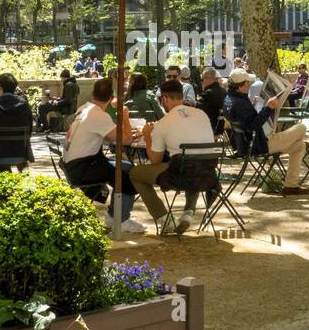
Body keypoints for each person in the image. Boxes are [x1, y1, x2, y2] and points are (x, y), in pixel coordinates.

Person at [132, 79, 217, 234]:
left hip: (180, 175)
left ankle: (164, 219)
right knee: (193, 161)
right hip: (208, 173)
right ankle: (188, 213)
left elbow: (155, 160)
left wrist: (147, 135)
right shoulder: (202, 114)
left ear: (164, 98)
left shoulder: (163, 123)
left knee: (135, 173)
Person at [63, 77, 145, 232]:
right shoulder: (99, 115)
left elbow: (105, 135)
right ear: (112, 97)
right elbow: (126, 140)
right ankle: (120, 219)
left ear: (93, 93)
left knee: (126, 166)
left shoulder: (84, 108)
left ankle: (114, 216)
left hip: (72, 165)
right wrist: (124, 114)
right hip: (82, 169)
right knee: (130, 174)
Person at [223, 68, 309, 195]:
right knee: (301, 127)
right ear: (239, 87)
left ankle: (291, 186)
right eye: (247, 83)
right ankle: (290, 185)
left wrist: (255, 107)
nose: (249, 85)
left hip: (244, 145)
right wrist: (268, 108)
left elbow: (246, 120)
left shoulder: (229, 99)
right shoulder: (240, 103)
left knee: (299, 146)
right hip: (258, 145)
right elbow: (253, 125)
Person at [0, 73, 34, 178]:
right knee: (21, 157)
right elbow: (30, 131)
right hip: (21, 153)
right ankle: (25, 183)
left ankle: (1, 183)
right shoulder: (24, 105)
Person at [197, 67, 226, 135]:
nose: (201, 82)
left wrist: (191, 103)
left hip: (211, 128)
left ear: (208, 78)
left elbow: (199, 107)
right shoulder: (223, 91)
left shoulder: (209, 92)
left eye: (202, 79)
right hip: (221, 126)